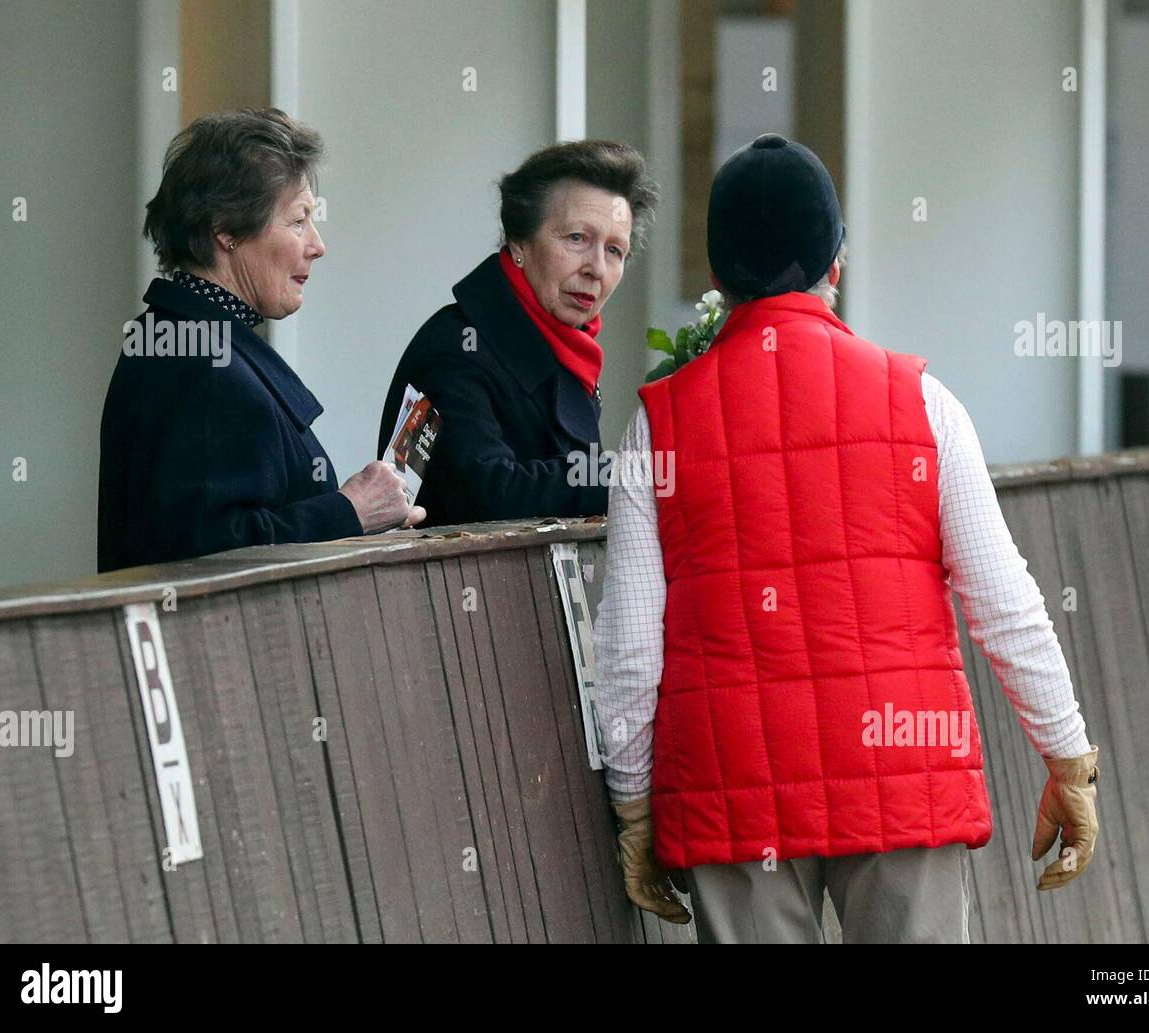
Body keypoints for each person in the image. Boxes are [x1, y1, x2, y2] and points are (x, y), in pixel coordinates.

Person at [594, 134, 1101, 944]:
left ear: (718, 278)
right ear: (837, 261)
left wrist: (632, 803)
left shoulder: (655, 426)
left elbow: (627, 646)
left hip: (736, 792)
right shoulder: (925, 404)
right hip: (902, 781)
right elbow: (1004, 602)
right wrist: (1066, 755)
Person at [99, 108, 423, 572]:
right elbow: (204, 555)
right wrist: (350, 511)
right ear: (226, 230)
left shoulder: (183, 339)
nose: (317, 245)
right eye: (298, 221)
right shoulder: (199, 362)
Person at [377, 140, 658, 527]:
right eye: (577, 238)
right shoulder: (456, 347)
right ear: (520, 242)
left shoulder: (567, 347)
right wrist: (635, 475)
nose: (597, 268)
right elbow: (488, 492)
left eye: (614, 250)